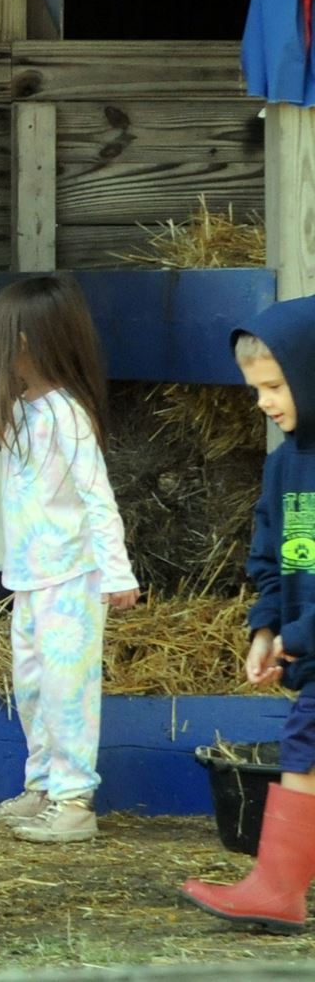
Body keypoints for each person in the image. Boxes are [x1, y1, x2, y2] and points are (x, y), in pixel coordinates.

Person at [0, 275, 138, 843]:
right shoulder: (22, 410)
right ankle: (42, 785)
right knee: (33, 685)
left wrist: (115, 570)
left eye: (4, 339)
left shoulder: (67, 414)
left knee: (69, 689)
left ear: (29, 342)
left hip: (72, 575)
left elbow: (97, 495)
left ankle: (74, 801)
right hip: (31, 577)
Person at [180, 295, 315, 932]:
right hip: (306, 643)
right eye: (256, 387)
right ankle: (278, 887)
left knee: (304, 746)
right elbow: (270, 552)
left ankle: (277, 889)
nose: (262, 400)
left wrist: (301, 633)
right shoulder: (285, 463)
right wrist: (266, 626)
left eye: (274, 385)